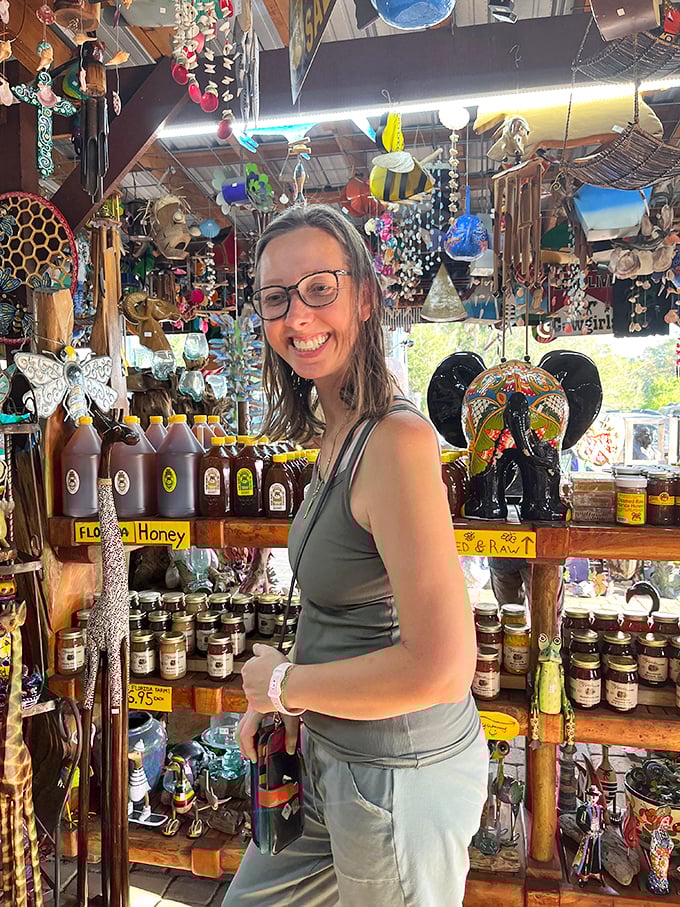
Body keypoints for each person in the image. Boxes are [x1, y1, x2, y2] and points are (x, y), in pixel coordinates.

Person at [224, 205, 487, 907]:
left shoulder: (396, 442)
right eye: (276, 297)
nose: (298, 316)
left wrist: (286, 686)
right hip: (331, 755)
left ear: (364, 297)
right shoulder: (340, 429)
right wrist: (289, 705)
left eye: (319, 287)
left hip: (398, 778)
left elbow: (442, 665)